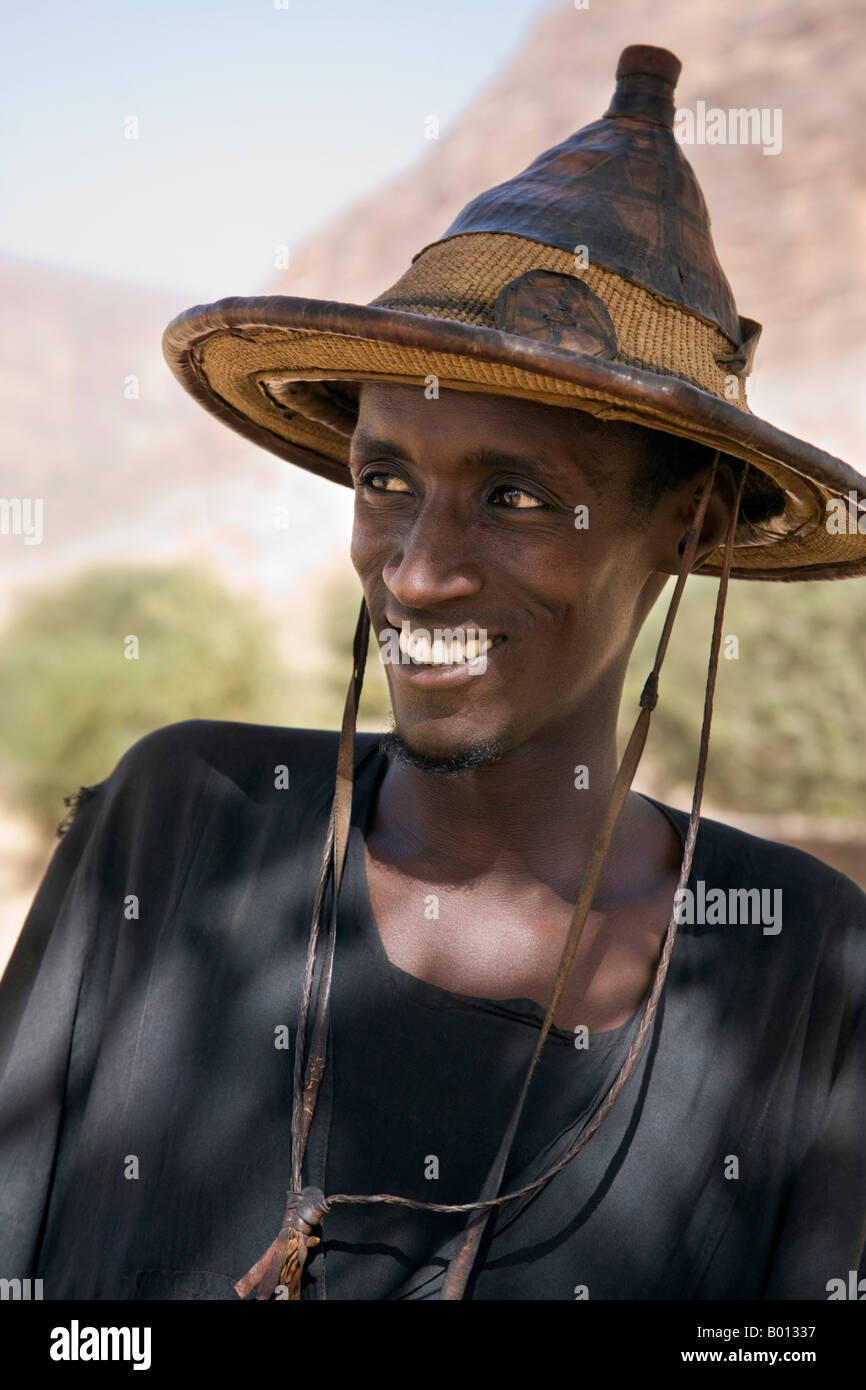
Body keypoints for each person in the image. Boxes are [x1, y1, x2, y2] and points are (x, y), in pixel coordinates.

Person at [1, 45, 864, 1302]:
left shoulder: (806, 972)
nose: (414, 572)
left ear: (689, 523)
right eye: (384, 480)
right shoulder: (176, 820)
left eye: (513, 497)